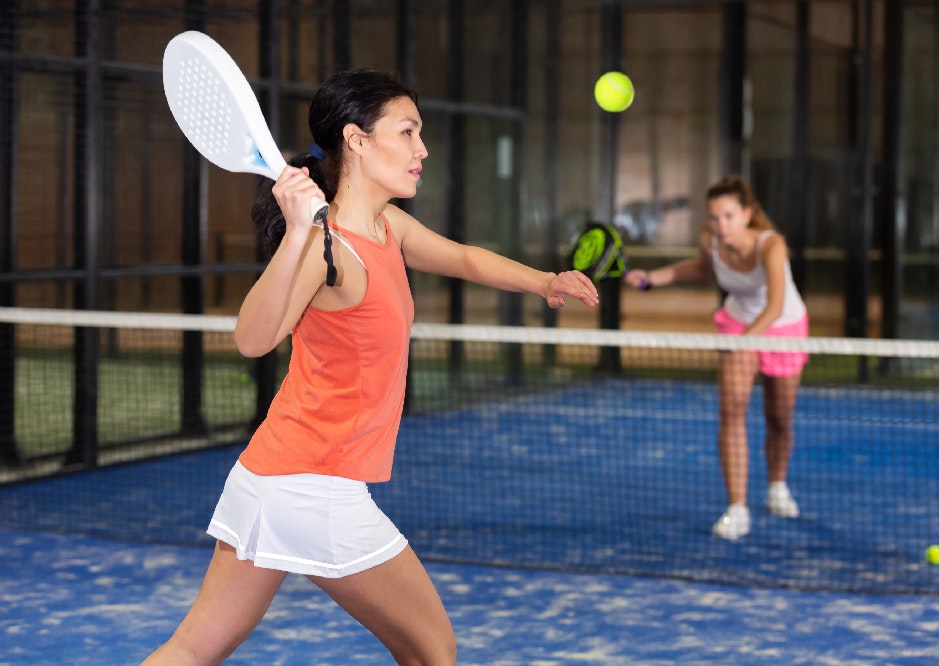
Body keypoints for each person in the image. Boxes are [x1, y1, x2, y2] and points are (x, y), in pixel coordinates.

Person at [142, 69, 598, 665]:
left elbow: (463, 258)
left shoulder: (387, 227)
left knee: (195, 647)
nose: (421, 149)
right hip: (315, 485)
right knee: (433, 651)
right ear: (356, 140)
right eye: (407, 132)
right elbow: (253, 338)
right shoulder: (326, 247)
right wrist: (299, 233)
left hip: (270, 477)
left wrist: (544, 281)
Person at [623, 174, 807, 540]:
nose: (720, 225)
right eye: (714, 217)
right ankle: (737, 507)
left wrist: (747, 344)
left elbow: (773, 307)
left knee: (779, 418)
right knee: (731, 410)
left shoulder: (771, 246)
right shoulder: (712, 242)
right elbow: (698, 268)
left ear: (747, 215)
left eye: (728, 216)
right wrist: (650, 279)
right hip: (739, 322)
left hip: (782, 325)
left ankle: (777, 485)